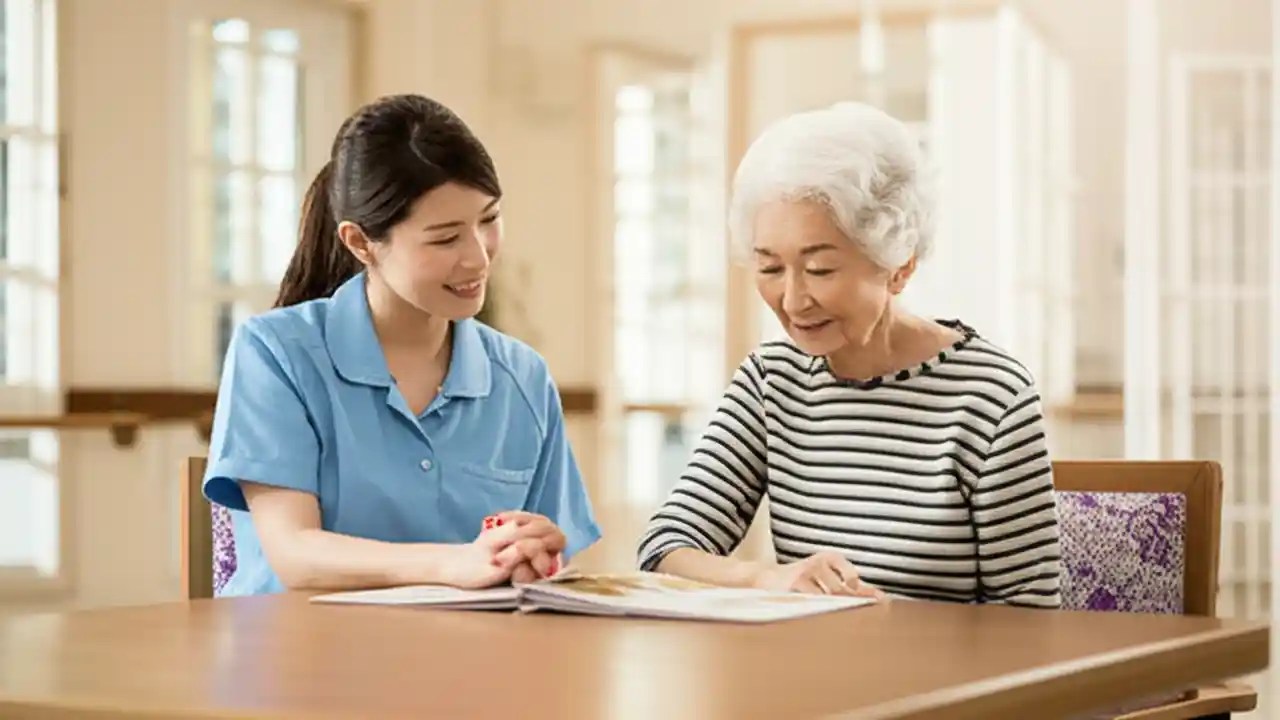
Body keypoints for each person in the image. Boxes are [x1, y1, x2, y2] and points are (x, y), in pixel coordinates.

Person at [636, 102, 1062, 607]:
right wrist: (769, 579)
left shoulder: (990, 396)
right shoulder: (772, 383)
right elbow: (665, 548)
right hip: (811, 681)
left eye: (819, 270)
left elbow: (1029, 617)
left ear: (899, 266)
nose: (793, 301)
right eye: (770, 269)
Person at [204, 94, 600, 596]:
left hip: (460, 664)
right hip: (296, 659)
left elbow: (551, 561)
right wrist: (454, 563)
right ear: (360, 243)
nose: (478, 258)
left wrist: (533, 555)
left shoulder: (523, 378)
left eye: (488, 219)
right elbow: (295, 554)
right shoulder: (275, 353)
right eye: (444, 238)